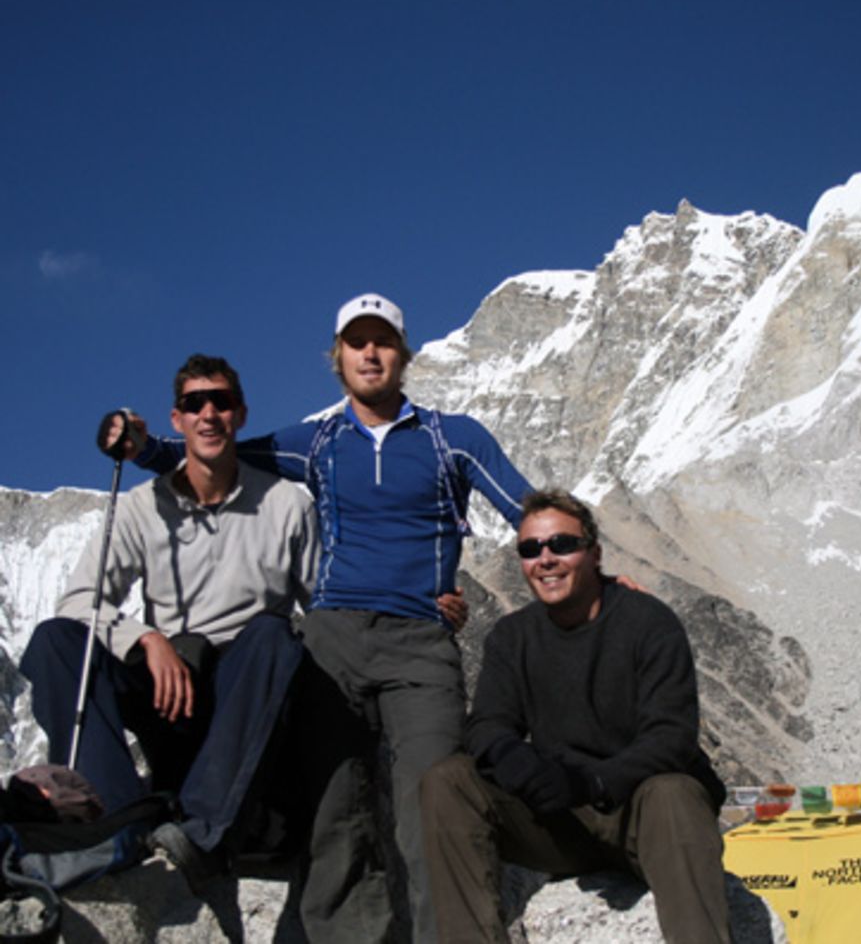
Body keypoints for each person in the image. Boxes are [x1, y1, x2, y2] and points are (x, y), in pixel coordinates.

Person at [126, 294, 533, 942]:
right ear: (337, 359)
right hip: (331, 639)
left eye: (383, 342)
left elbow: (527, 510)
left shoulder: (454, 437)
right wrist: (146, 447)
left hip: (420, 645)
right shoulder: (316, 441)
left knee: (433, 804)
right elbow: (219, 456)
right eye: (356, 343)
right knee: (333, 811)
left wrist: (584, 555)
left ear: (404, 355)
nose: (370, 353)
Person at [19, 354, 316, 891]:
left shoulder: (287, 505)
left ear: (241, 414)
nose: (208, 414)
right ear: (176, 420)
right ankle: (116, 821)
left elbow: (325, 604)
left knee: (273, 634)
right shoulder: (140, 507)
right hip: (170, 687)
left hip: (245, 691)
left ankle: (203, 831)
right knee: (55, 641)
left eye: (220, 402)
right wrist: (146, 639)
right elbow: (80, 599)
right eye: (193, 404)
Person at [419, 489, 731, 944]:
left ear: (595, 553)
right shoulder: (512, 636)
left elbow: (671, 737)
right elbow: (488, 724)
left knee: (675, 791)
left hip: (644, 817)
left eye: (561, 545)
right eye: (530, 549)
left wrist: (594, 783)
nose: (545, 559)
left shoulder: (649, 623)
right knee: (447, 780)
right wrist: (515, 760)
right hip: (561, 819)